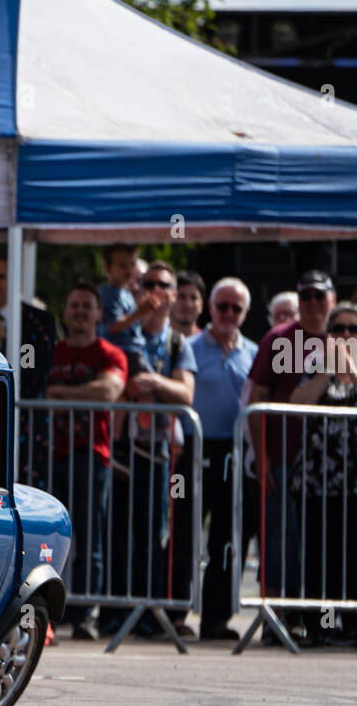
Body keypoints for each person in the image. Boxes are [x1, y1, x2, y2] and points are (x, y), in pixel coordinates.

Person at [289, 303, 357, 650]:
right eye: (338, 328)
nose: (346, 335)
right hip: (318, 480)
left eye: (354, 329)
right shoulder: (312, 365)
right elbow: (298, 402)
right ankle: (321, 625)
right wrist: (328, 371)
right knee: (320, 554)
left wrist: (356, 374)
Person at [106, 261, 198, 638]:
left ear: (174, 295)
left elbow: (186, 393)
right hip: (121, 445)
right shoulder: (125, 332)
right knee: (116, 528)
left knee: (152, 531)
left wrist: (155, 381)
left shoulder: (178, 343)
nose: (155, 290)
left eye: (164, 284)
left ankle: (147, 613)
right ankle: (114, 612)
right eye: (148, 283)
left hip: (160, 451)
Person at [248, 269, 337, 632]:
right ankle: (275, 619)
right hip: (284, 458)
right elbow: (256, 400)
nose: (314, 303)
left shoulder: (348, 335)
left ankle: (321, 621)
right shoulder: (278, 338)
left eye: (320, 296)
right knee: (279, 536)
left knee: (322, 540)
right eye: (307, 297)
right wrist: (263, 458)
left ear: (333, 299)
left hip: (334, 468)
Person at [39, 284, 128, 639]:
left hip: (91, 455)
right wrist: (74, 396)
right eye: (73, 305)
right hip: (49, 456)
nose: (79, 312)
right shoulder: (49, 353)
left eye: (86, 306)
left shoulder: (109, 353)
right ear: (65, 312)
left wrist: (62, 394)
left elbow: (108, 391)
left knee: (89, 538)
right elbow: (42, 395)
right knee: (47, 538)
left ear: (98, 315)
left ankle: (84, 615)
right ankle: (45, 612)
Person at [190, 278, 259, 640]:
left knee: (227, 539)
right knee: (185, 534)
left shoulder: (254, 351)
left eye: (236, 308)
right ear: (210, 308)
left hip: (236, 454)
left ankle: (215, 619)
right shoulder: (189, 347)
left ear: (246, 313)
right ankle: (169, 613)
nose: (228, 314)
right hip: (193, 451)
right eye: (222, 306)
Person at [0, 251, 57, 400]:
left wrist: (6, 341)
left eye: (1, 277)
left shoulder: (39, 322)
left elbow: (34, 371)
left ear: (13, 278)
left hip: (26, 414)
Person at [98, 243, 162, 364]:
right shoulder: (109, 294)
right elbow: (113, 326)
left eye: (132, 264)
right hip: (121, 352)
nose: (129, 270)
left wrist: (145, 309)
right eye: (122, 266)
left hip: (134, 351)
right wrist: (139, 312)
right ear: (108, 269)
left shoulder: (125, 293)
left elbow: (132, 324)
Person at [172, 270, 206, 338]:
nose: (187, 304)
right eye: (181, 296)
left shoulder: (208, 345)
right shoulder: (155, 340)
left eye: (193, 298)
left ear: (201, 305)